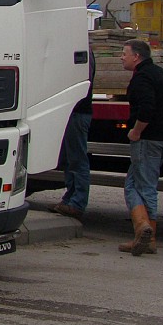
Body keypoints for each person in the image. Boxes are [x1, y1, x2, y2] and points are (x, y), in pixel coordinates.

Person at [118, 39, 163, 256]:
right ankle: (141, 228)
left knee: (145, 186)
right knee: (132, 184)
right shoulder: (159, 73)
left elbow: (147, 108)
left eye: (125, 53)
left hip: (147, 139)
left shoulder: (141, 79)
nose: (122, 57)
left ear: (137, 56)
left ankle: (148, 234)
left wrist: (136, 131)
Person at [51, 49, 95, 218]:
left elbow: (82, 82)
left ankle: (77, 202)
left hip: (77, 112)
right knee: (69, 160)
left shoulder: (83, 54)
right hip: (70, 112)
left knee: (77, 159)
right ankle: (69, 199)